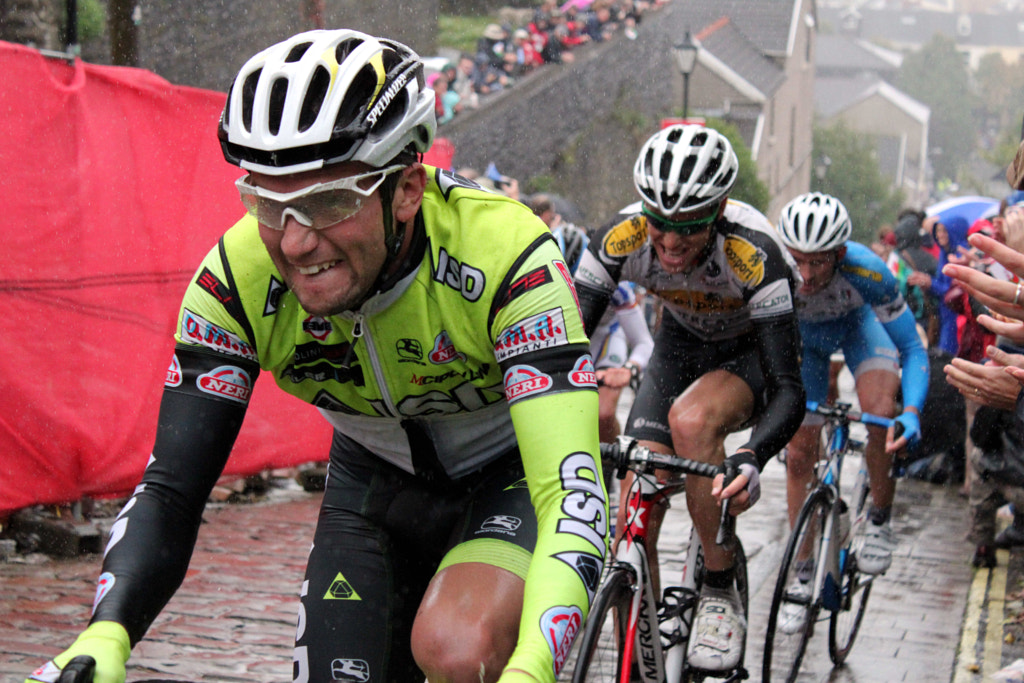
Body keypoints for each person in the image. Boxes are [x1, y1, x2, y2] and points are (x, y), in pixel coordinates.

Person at [27, 29, 605, 683]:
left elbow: (570, 497)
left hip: (507, 476)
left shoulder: (505, 257)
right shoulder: (237, 280)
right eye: (267, 204)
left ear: (407, 189)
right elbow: (171, 489)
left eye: (328, 202)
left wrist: (532, 665)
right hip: (373, 479)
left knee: (457, 648)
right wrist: (106, 633)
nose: (297, 241)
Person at [573, 123, 806, 673]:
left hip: (747, 352)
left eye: (688, 228)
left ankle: (719, 587)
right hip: (679, 345)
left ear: (719, 210)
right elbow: (565, 343)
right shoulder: (620, 237)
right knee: (634, 506)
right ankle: (638, 649)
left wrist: (753, 454)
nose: (670, 243)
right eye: (659, 225)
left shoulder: (755, 254)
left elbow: (791, 389)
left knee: (693, 420)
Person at [770, 192, 928, 630]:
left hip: (860, 331)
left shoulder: (867, 270)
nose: (805, 275)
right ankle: (801, 573)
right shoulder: (776, 268)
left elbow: (912, 347)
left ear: (839, 253)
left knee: (878, 413)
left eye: (818, 263)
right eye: (798, 260)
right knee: (800, 455)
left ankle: (879, 516)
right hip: (808, 345)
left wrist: (910, 410)